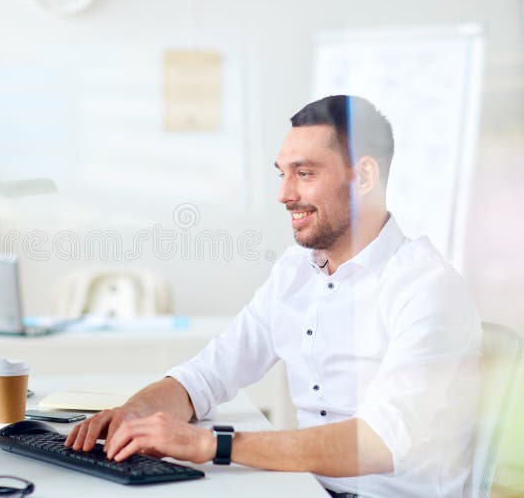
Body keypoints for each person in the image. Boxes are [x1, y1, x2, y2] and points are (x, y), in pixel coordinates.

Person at [65, 95, 481, 498]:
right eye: (282, 173)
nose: (284, 194)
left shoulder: (426, 286)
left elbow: (380, 441)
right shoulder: (295, 271)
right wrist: (134, 414)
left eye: (304, 173)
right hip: (302, 487)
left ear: (366, 178)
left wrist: (215, 445)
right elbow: (210, 372)